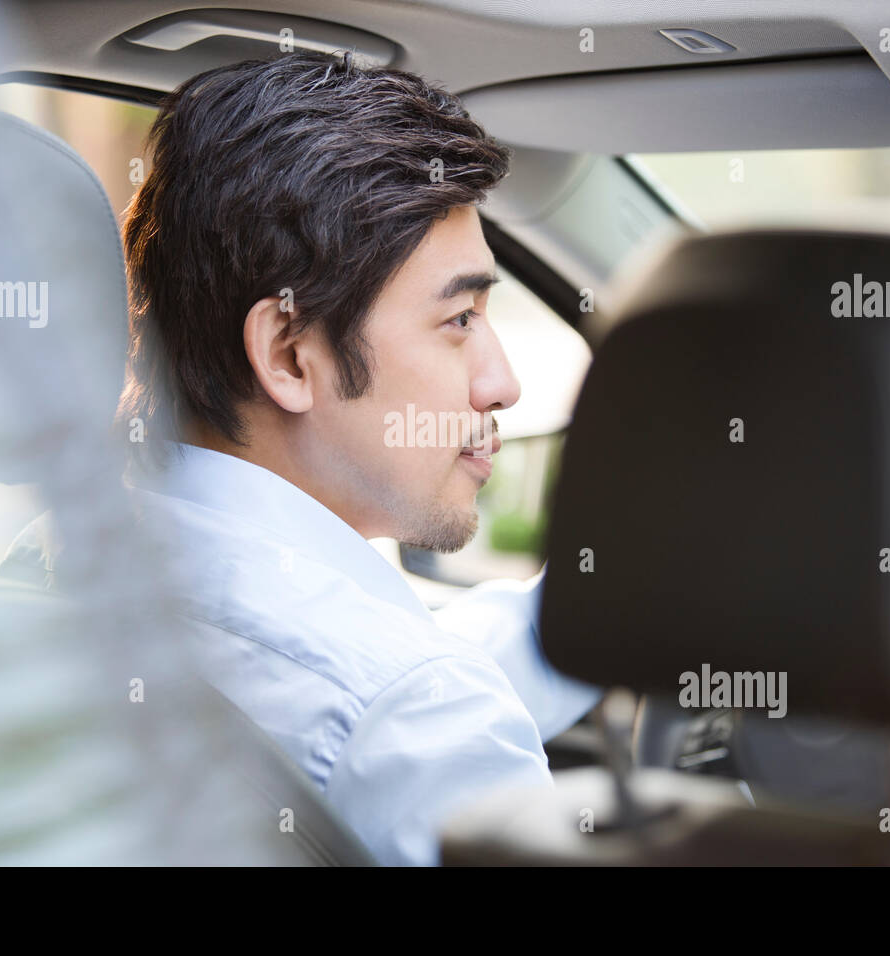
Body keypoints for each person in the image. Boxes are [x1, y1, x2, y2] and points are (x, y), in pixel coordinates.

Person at [116, 51, 602, 865]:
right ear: (291, 353)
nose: (502, 383)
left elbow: (343, 672)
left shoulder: (74, 559)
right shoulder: (420, 717)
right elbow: (387, 699)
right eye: (458, 321)